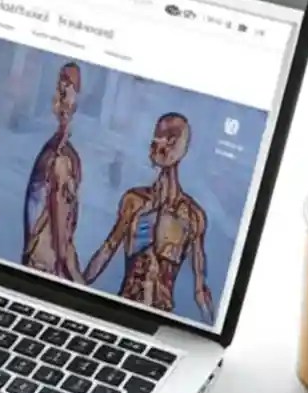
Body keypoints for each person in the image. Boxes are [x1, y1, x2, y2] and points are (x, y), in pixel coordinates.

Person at [83, 112, 214, 322]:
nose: (161, 143)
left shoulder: (193, 216)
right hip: (123, 308)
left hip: (159, 318)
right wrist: (76, 286)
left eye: (171, 138)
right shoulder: (134, 201)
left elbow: (200, 289)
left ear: (181, 147)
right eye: (159, 135)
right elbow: (108, 249)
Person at [22, 62, 84, 280]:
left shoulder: (64, 159)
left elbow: (63, 241)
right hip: (38, 264)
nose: (60, 91)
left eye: (68, 86)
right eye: (60, 84)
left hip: (46, 268)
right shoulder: (53, 151)